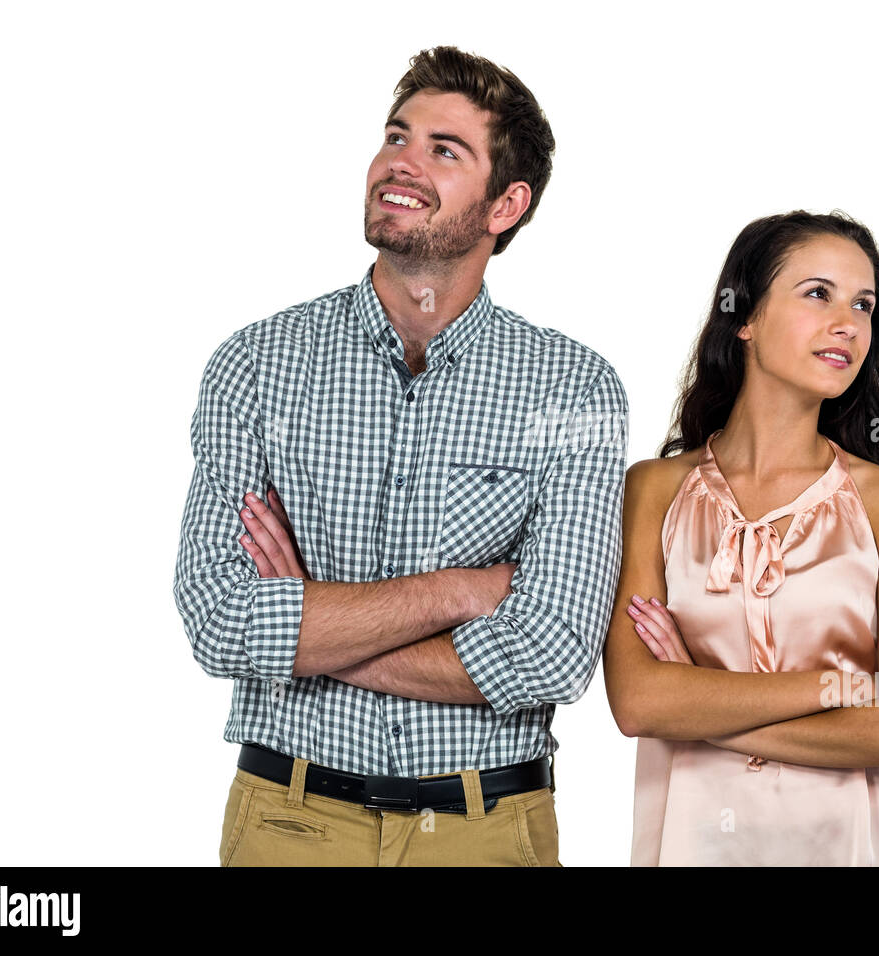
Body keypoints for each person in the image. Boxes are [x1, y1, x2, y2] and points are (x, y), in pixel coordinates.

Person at [173, 46, 628, 867]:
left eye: (442, 150)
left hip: (487, 829)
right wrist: (462, 591)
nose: (400, 163)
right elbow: (218, 619)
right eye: (396, 135)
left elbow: (553, 649)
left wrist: (311, 621)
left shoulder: (576, 389)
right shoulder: (257, 362)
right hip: (287, 823)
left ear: (506, 203)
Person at [603, 210, 879, 866]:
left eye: (864, 304)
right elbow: (640, 701)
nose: (848, 322)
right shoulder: (651, 491)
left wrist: (701, 694)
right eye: (818, 293)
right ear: (746, 317)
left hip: (866, 845)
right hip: (696, 843)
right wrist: (841, 686)